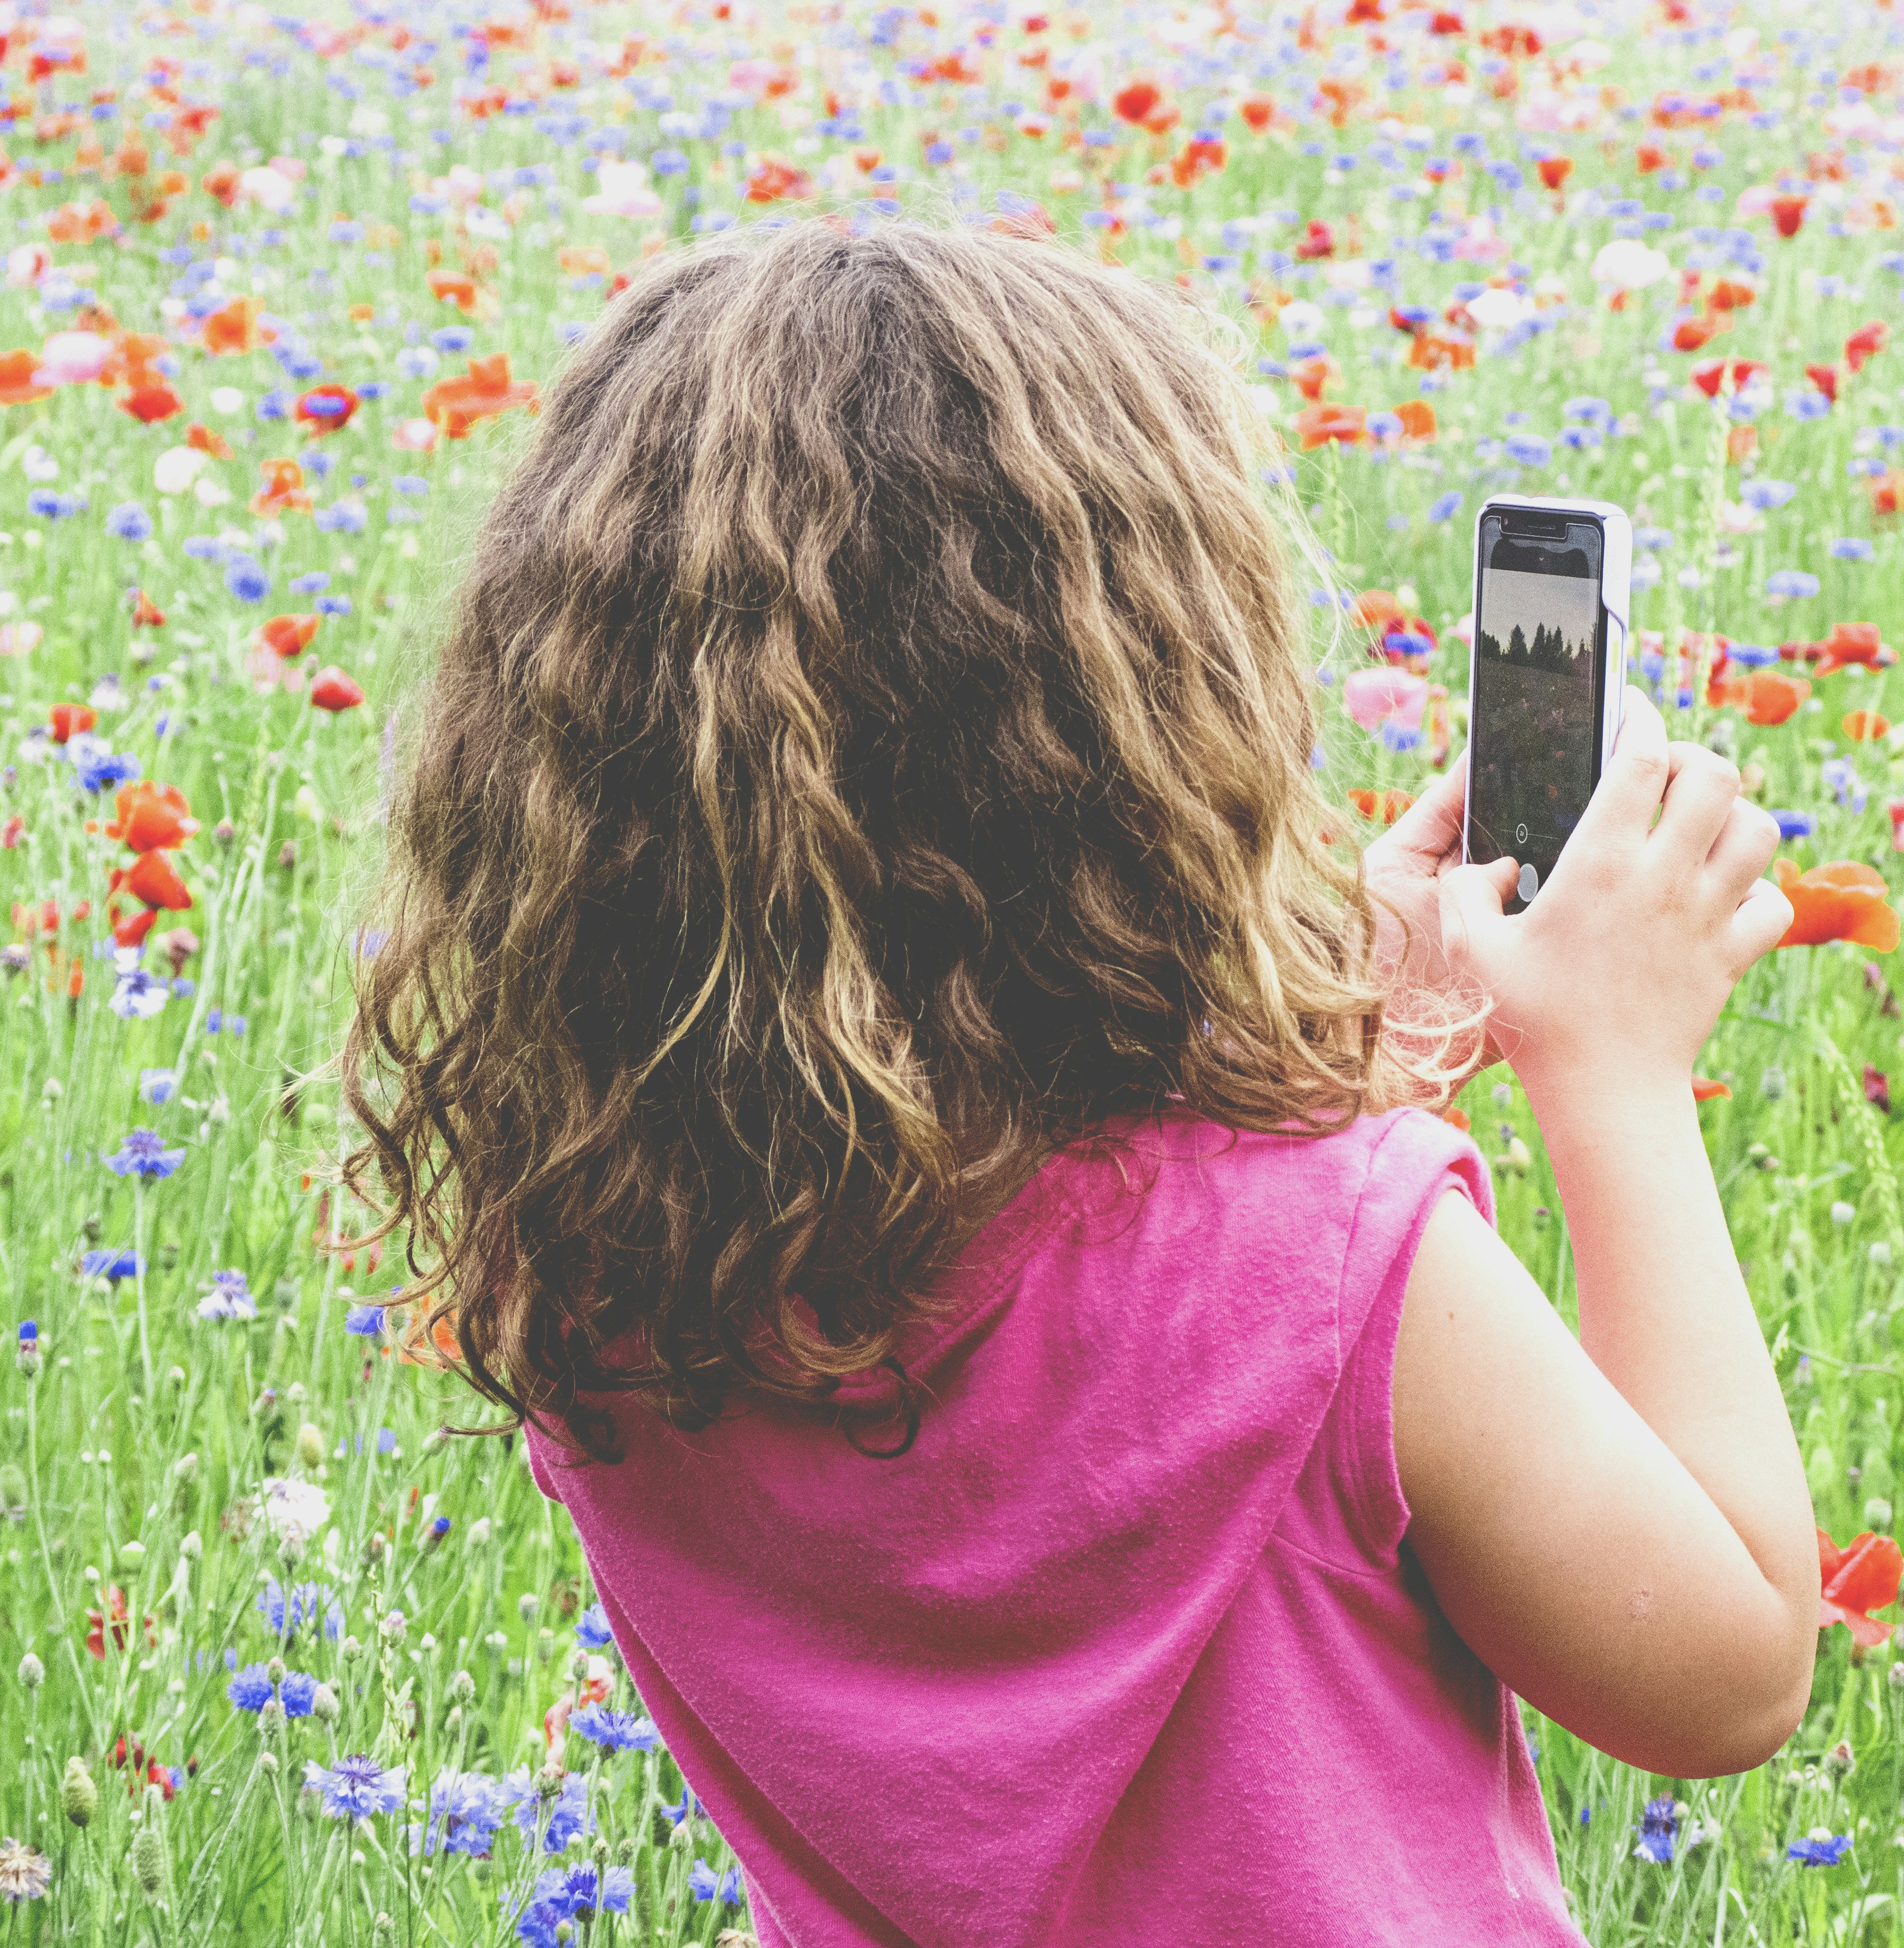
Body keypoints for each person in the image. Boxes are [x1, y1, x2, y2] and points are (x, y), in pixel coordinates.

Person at [343, 219, 1816, 1947]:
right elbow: (1722, 1682)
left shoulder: (600, 1261)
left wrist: (1364, 1060)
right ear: (1156, 724)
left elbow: (1048, 1304)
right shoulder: (1346, 1270)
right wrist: (1610, 1072)